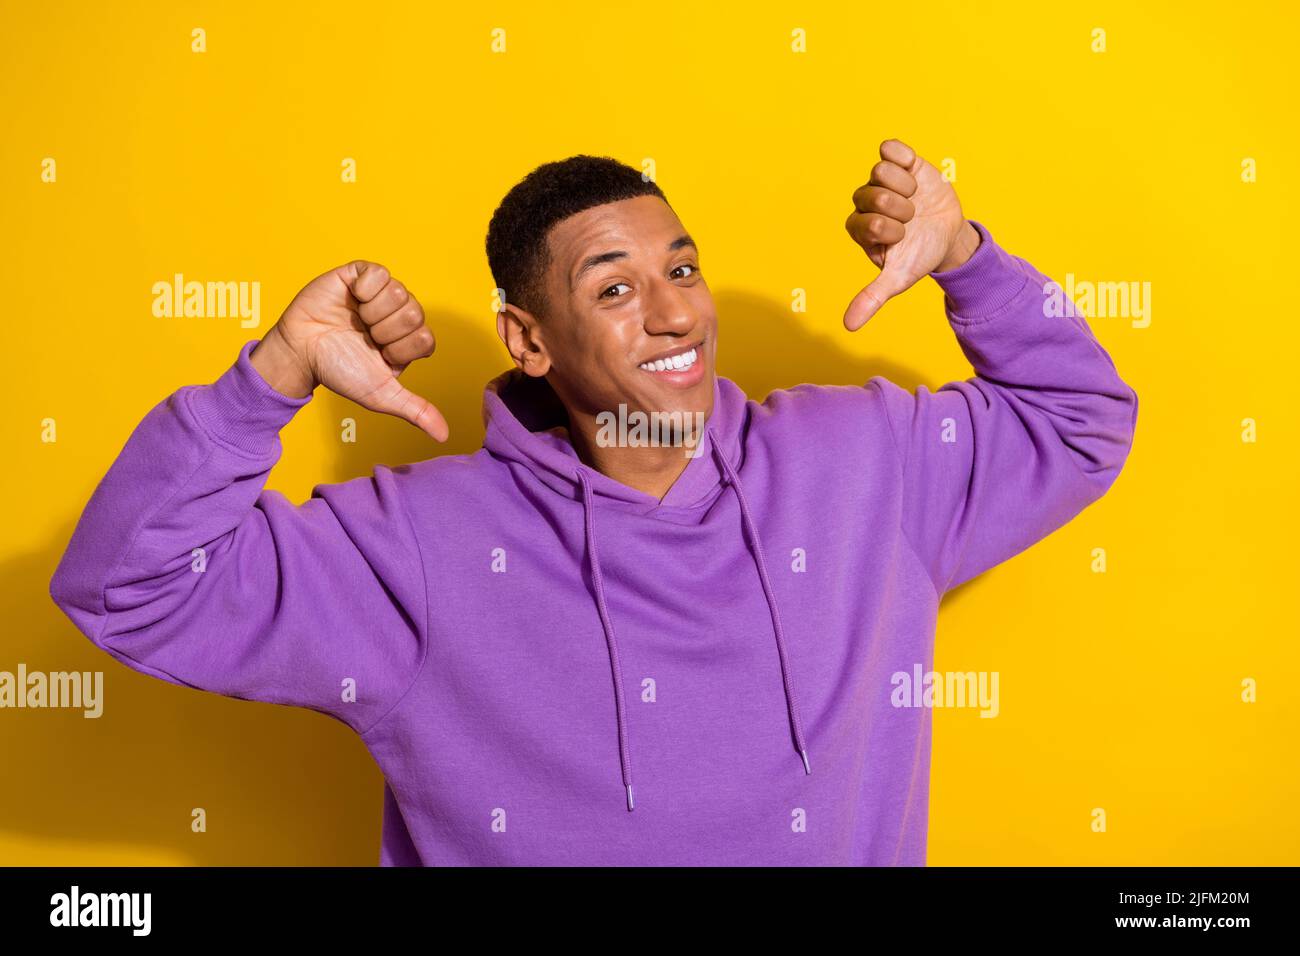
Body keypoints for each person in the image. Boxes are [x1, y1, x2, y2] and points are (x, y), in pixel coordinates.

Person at [49, 139, 1138, 865]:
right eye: (612, 288)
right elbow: (130, 588)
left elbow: (1081, 420)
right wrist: (272, 373)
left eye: (683, 268)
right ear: (528, 339)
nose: (673, 315)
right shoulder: (418, 548)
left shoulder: (862, 462)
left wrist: (966, 256)